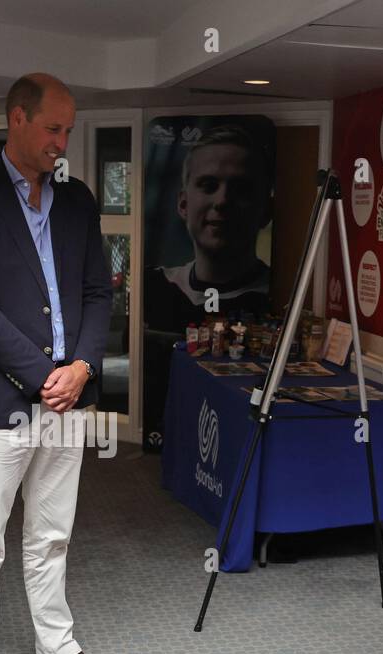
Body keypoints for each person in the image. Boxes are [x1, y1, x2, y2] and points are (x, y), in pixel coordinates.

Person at [0, 72, 132, 654]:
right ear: (16, 120)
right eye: (53, 128)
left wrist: (79, 366)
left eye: (68, 130)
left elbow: (98, 293)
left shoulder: (77, 200)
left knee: (52, 535)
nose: (62, 141)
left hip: (67, 402)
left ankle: (57, 648)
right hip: (2, 404)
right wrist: (43, 374)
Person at [143, 124, 274, 449]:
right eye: (208, 185)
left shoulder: (273, 299)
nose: (222, 201)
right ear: (183, 204)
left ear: (266, 211)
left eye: (240, 189)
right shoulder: (154, 284)